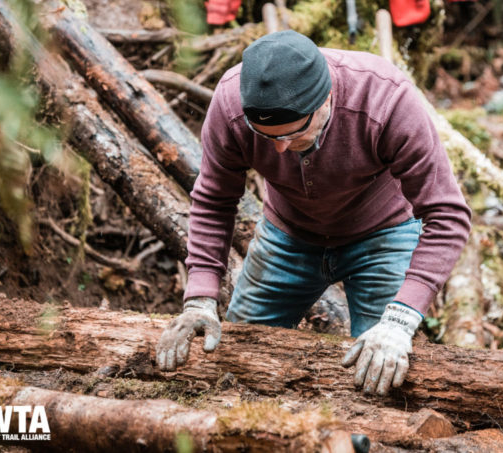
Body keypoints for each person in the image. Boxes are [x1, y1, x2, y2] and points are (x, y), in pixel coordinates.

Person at [156, 30, 471, 395]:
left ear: (326, 101)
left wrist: (401, 319)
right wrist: (199, 298)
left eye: (293, 135)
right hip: (287, 235)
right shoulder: (230, 105)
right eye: (268, 137)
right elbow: (214, 200)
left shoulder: (385, 98)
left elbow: (447, 214)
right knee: (235, 363)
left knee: (379, 373)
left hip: (384, 233)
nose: (280, 150)